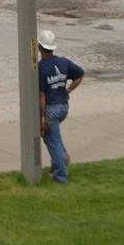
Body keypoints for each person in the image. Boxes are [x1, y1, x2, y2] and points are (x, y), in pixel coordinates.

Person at [38, 29, 84, 184]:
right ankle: (58, 161)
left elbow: (42, 96)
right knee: (52, 137)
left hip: (51, 109)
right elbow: (80, 74)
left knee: (52, 141)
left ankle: (61, 175)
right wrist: (68, 90)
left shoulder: (40, 68)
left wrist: (42, 118)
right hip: (64, 107)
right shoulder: (63, 62)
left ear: (39, 47)